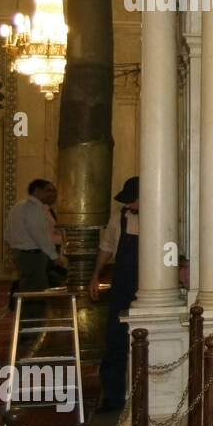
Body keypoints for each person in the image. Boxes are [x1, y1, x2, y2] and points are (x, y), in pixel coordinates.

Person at [90, 177, 140, 413]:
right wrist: (95, 275)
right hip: (122, 285)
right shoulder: (117, 218)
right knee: (115, 340)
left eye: (132, 201)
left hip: (147, 286)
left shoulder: (161, 217)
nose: (129, 205)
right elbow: (107, 248)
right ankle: (113, 396)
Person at [5, 180, 64, 321]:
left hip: (22, 253)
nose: (53, 194)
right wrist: (54, 256)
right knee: (35, 293)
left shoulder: (18, 206)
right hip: (33, 255)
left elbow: (7, 234)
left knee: (28, 291)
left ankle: (27, 327)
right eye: (49, 190)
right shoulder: (33, 208)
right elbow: (39, 235)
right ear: (37, 191)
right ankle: (33, 330)